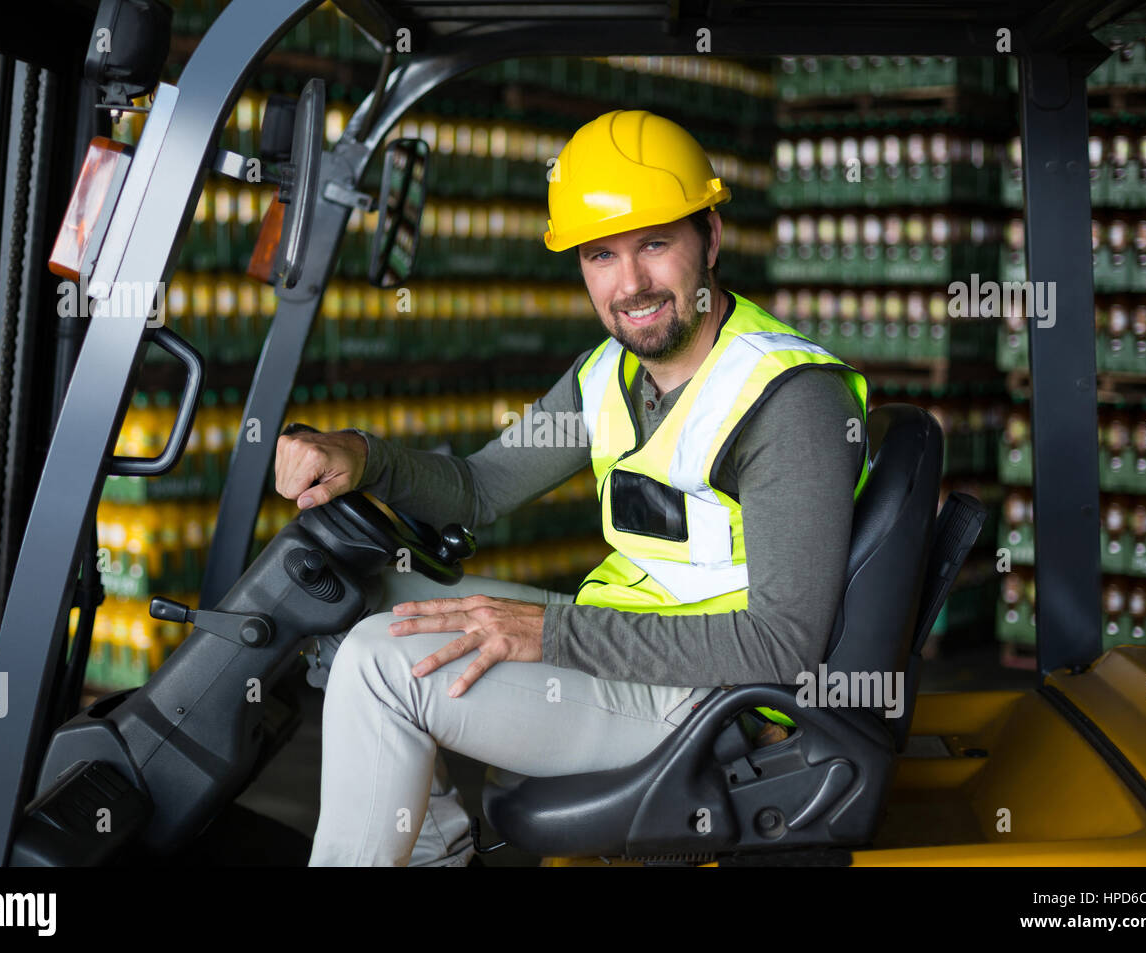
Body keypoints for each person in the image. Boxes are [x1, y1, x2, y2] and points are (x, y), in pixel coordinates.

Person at [274, 109, 871, 866]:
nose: (632, 284)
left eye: (656, 243)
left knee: (380, 667)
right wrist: (362, 457)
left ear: (711, 239)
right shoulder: (609, 376)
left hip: (718, 706)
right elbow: (480, 488)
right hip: (623, 654)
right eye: (601, 255)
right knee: (345, 595)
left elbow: (781, 647)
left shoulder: (788, 402)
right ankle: (430, 854)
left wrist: (549, 632)